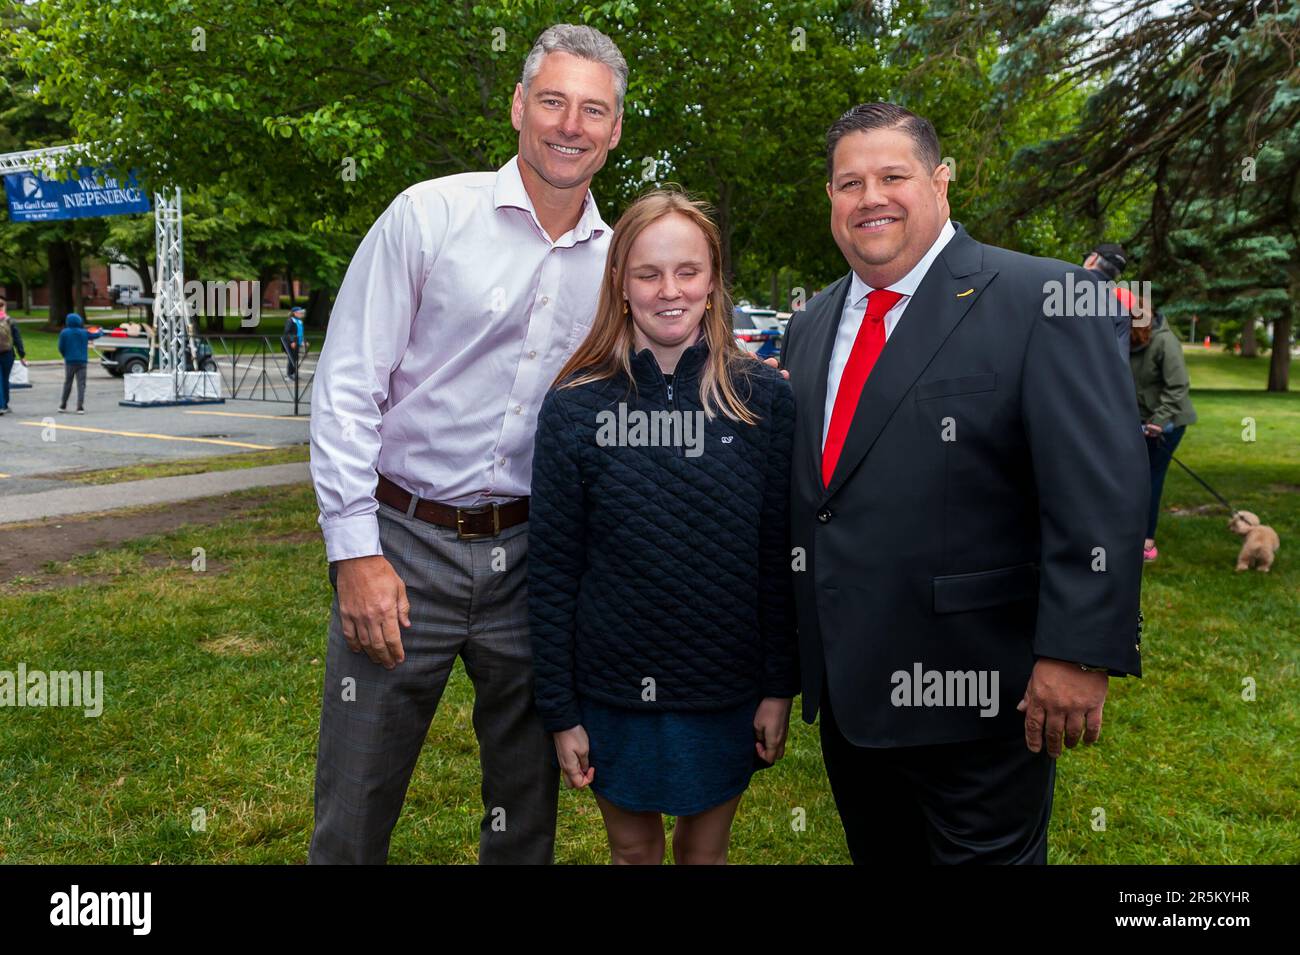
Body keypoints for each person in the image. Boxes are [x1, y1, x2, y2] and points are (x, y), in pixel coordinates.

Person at [780, 103, 1148, 864]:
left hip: (981, 691)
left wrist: (1079, 651)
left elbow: (1099, 486)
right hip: (853, 696)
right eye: (850, 182)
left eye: (893, 176)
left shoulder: (1040, 300)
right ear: (830, 201)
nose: (870, 197)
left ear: (941, 184)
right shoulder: (812, 324)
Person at [307, 23, 627, 865]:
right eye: (553, 100)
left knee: (525, 807)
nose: (570, 124)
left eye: (593, 109)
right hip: (402, 541)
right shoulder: (429, 214)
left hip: (533, 553)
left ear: (616, 130)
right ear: (520, 105)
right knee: (356, 801)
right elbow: (346, 387)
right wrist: (354, 554)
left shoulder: (618, 263)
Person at [528, 190, 798, 865]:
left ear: (712, 283)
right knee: (633, 852)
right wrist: (562, 712)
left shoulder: (763, 398)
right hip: (614, 690)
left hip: (726, 686)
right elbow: (554, 572)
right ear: (620, 284)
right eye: (648, 273)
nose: (669, 290)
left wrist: (776, 687)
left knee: (704, 854)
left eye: (688, 271)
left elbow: (777, 557)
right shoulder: (573, 410)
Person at [1129, 308, 1197, 561]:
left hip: (1166, 424)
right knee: (1131, 479)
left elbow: (1178, 386)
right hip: (1138, 421)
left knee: (1149, 480)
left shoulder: (1164, 342)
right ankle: (1126, 533)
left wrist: (1159, 420)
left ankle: (1146, 541)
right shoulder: (1126, 340)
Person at [57, 312, 103, 415]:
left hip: (69, 361)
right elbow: (96, 335)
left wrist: (65, 355)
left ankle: (63, 405)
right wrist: (101, 330)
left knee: (68, 383)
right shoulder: (83, 332)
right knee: (81, 384)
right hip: (82, 361)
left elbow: (61, 347)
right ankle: (80, 406)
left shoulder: (64, 333)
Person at [0, 297, 28, 416]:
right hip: (7, 353)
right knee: (5, 379)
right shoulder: (9, 320)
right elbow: (17, 339)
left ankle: (2, 404)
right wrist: (21, 355)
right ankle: (4, 404)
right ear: (3, 307)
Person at [282, 305, 306, 378]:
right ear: (295, 313)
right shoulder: (290, 321)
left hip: (297, 342)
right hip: (290, 343)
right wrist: (292, 341)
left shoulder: (299, 321)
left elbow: (300, 332)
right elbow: (287, 332)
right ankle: (289, 374)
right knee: (291, 358)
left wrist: (304, 341)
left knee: (295, 358)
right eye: (299, 312)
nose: (301, 314)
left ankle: (294, 373)